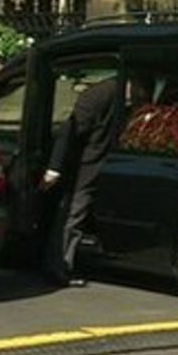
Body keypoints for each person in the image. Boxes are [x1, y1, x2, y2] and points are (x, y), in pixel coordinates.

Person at [41, 76, 130, 287]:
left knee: (76, 214)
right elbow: (70, 132)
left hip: (102, 163)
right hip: (89, 164)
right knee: (74, 213)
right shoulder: (98, 96)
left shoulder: (104, 94)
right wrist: (55, 168)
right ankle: (59, 266)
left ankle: (63, 264)